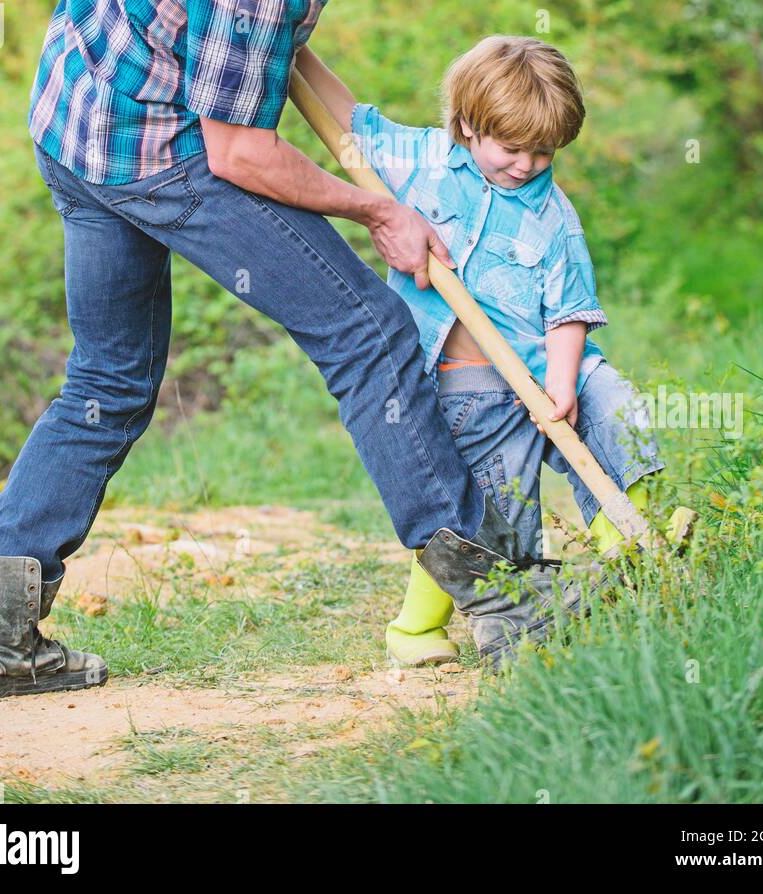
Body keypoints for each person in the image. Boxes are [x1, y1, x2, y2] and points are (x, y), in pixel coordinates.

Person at [0, 0, 578, 698]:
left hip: (70, 113)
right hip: (155, 151)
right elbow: (237, 152)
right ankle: (494, 603)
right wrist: (377, 214)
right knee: (367, 330)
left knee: (107, 378)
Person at [295, 36, 691, 668]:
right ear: (468, 126)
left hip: (547, 366)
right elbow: (350, 119)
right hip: (467, 387)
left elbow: (568, 311)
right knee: (493, 516)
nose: (528, 164)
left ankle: (632, 537)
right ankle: (421, 629)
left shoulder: (554, 217)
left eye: (544, 151)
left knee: (617, 404)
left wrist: (562, 386)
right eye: (512, 148)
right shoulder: (421, 161)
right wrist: (298, 53)